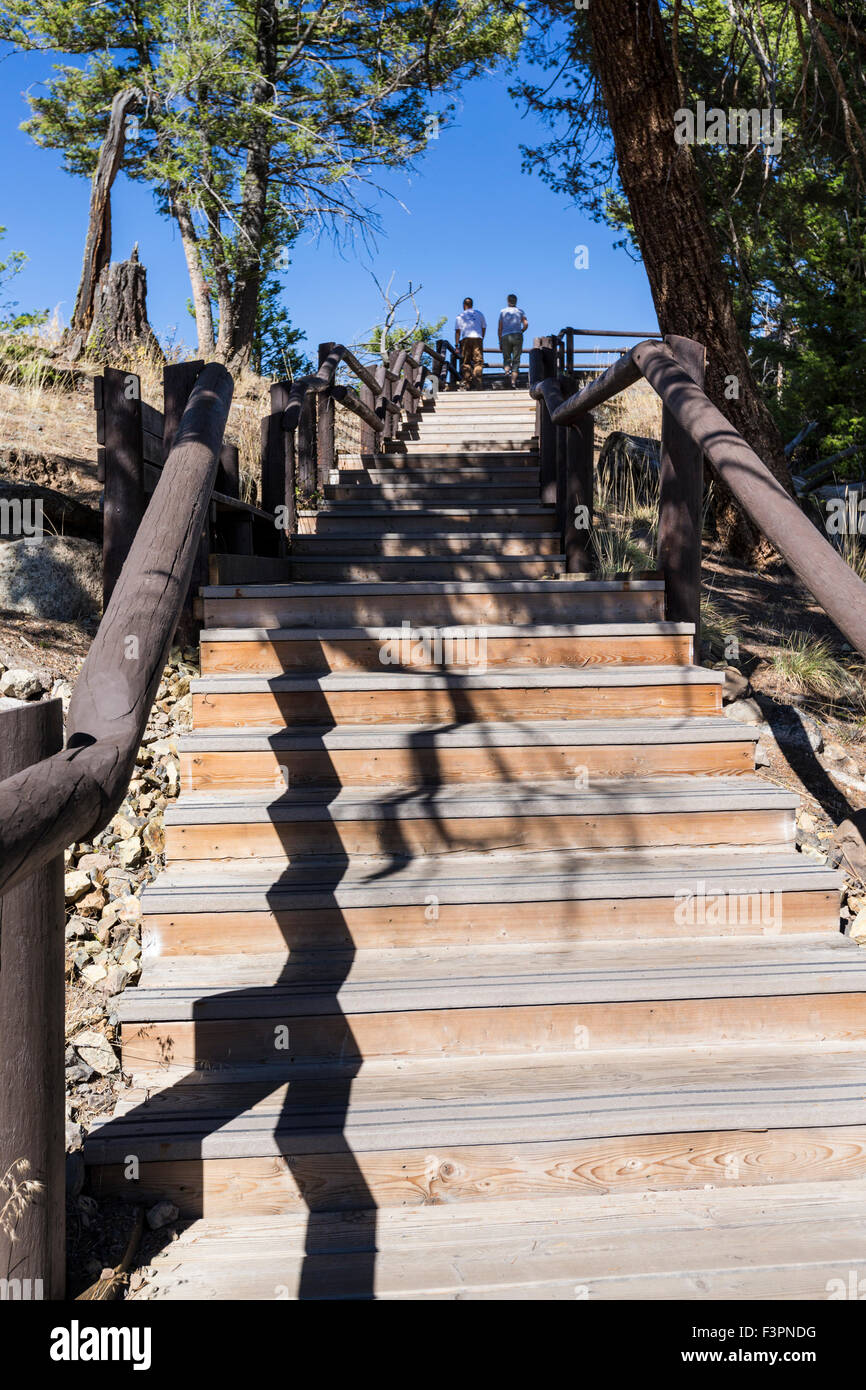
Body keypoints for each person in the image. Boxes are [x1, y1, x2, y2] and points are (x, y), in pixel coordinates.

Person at [454, 297, 486, 390]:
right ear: (472, 304)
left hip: (466, 339)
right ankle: (478, 383)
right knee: (478, 362)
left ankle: (467, 383)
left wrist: (456, 345)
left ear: (464, 305)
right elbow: (484, 327)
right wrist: (481, 338)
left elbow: (457, 332)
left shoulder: (460, 316)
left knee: (466, 362)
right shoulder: (480, 314)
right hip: (478, 338)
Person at [498, 294, 528, 387]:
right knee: (516, 359)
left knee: (506, 357)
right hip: (517, 335)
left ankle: (507, 371)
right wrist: (521, 330)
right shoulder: (520, 311)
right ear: (516, 301)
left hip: (505, 336)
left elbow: (500, 327)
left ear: (508, 301)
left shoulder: (503, 311)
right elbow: (526, 324)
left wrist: (500, 340)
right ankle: (513, 382)